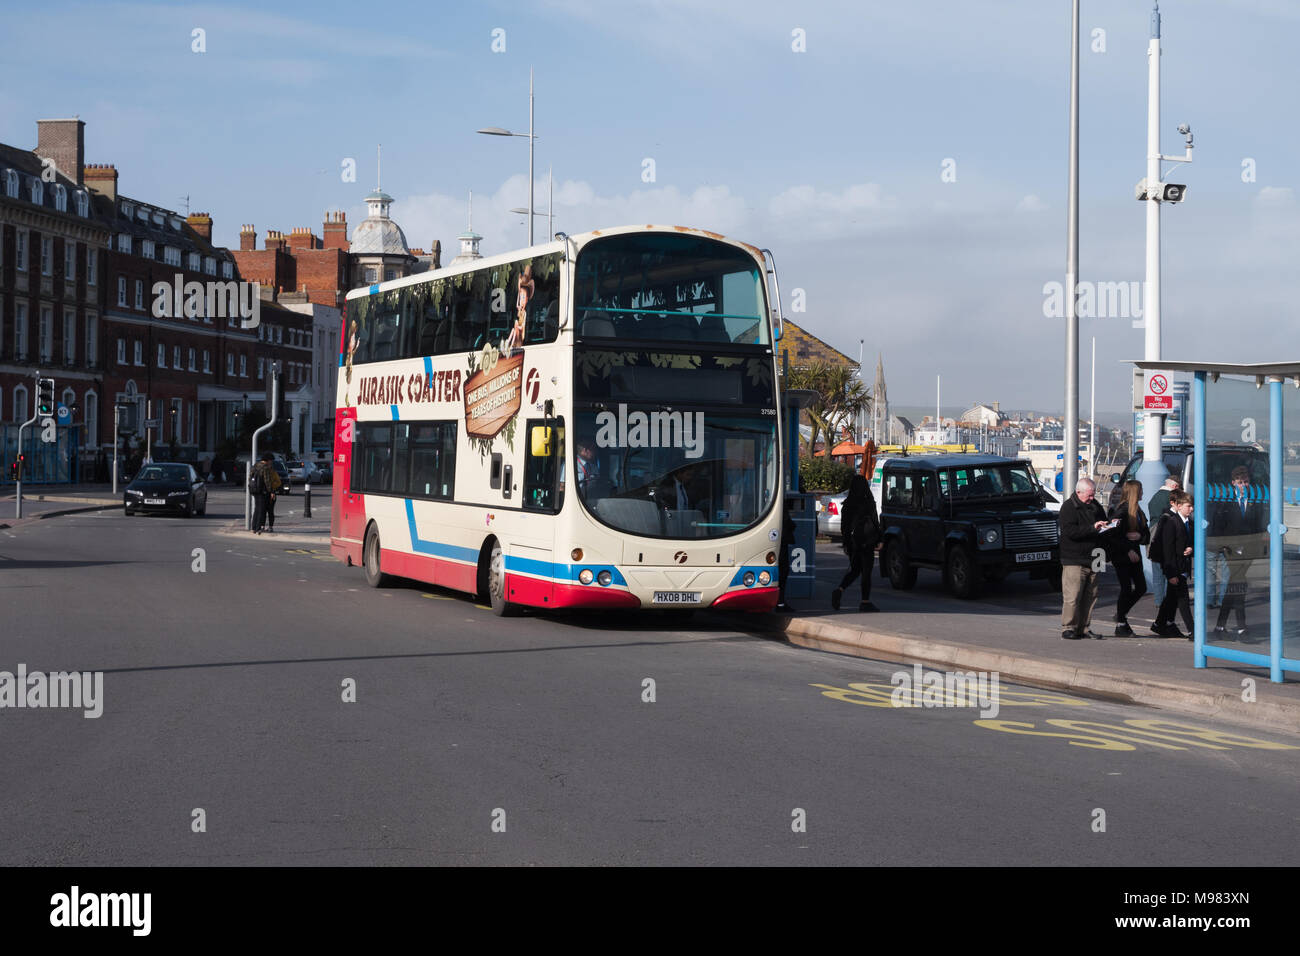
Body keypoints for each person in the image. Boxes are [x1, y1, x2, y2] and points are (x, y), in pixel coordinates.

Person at [1211, 466, 1268, 637]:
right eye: (1240, 482)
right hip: (1231, 549)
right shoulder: (1225, 502)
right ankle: (1241, 626)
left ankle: (1220, 626)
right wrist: (1223, 545)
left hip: (1249, 548)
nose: (1243, 485)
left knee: (1234, 586)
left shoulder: (1255, 502)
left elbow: (1259, 525)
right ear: (1233, 483)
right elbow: (1219, 525)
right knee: (1239, 584)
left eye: (1246, 482)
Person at [1057, 476, 1109, 640]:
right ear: (1078, 492)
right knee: (1073, 595)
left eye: (1093, 495)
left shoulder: (1095, 506)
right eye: (1089, 495)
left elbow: (1103, 523)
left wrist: (1108, 525)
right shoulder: (1068, 508)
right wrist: (1092, 528)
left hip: (1095, 556)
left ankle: (1084, 627)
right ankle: (1068, 627)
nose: (1092, 499)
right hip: (1074, 558)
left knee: (1091, 595)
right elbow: (1070, 532)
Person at [831, 475, 882, 613]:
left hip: (854, 542)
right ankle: (865, 602)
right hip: (867, 541)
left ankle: (840, 589)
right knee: (866, 572)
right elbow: (875, 523)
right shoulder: (869, 502)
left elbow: (844, 527)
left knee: (855, 569)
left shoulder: (847, 504)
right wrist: (879, 540)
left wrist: (846, 544)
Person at [1106, 480, 1149, 636]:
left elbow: (1146, 535)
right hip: (1122, 556)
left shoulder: (1138, 511)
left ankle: (1121, 614)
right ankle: (1121, 623)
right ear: (1134, 492)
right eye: (1141, 490)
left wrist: (1140, 536)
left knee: (1141, 587)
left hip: (1135, 555)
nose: (1143, 492)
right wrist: (1127, 550)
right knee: (1125, 588)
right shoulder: (1122, 512)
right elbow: (1111, 534)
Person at [1152, 490, 1195, 639]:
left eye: (1192, 506)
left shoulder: (1190, 523)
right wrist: (1170, 573)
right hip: (1175, 568)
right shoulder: (1172, 522)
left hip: (1183, 567)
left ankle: (1159, 624)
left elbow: (1191, 542)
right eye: (1188, 506)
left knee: (1171, 598)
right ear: (1178, 506)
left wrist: (1191, 549)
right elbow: (1167, 550)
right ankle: (1193, 631)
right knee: (1183, 599)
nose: (1191, 509)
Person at [1146, 475, 1180, 609]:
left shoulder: (1155, 497)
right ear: (1175, 486)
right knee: (1169, 569)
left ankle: (1158, 600)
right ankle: (1168, 600)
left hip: (1153, 535)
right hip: (1167, 537)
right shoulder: (1171, 499)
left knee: (1157, 571)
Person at [250, 452, 282, 534]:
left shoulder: (255, 466)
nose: (271, 462)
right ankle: (258, 528)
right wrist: (271, 491)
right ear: (268, 460)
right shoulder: (265, 468)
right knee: (261, 509)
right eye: (271, 461)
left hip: (254, 490)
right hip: (261, 491)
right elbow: (267, 481)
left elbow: (250, 477)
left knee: (256, 509)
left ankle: (253, 527)